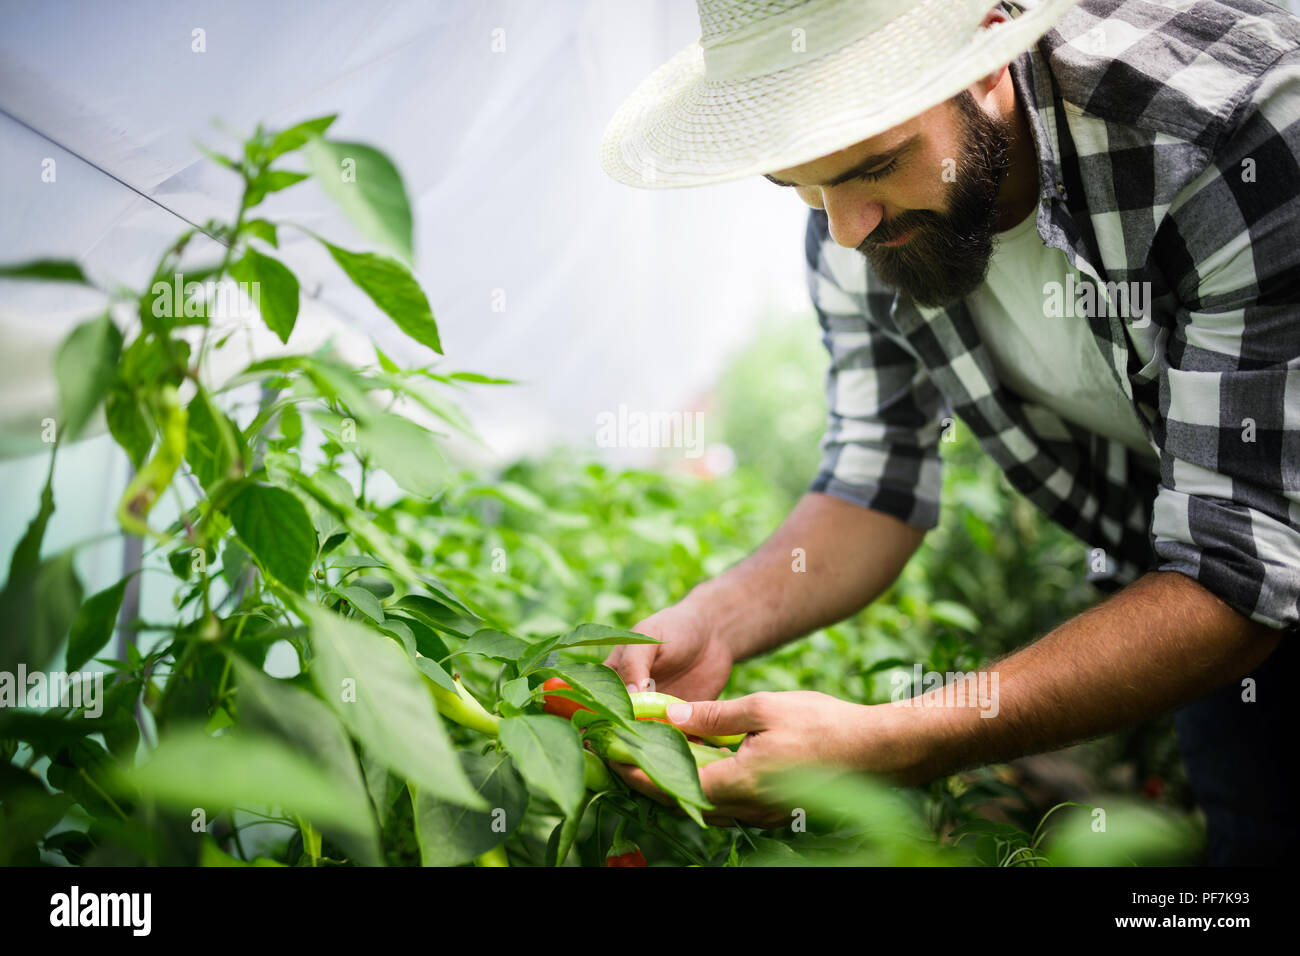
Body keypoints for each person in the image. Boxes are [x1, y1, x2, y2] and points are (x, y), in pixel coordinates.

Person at [599, 0, 1300, 864]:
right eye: (802, 188)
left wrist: (902, 736)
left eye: (874, 165)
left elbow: (1239, 562)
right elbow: (874, 482)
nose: (847, 231)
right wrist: (716, 619)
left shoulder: (1227, 138)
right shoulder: (854, 217)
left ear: (984, 53)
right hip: (1202, 588)